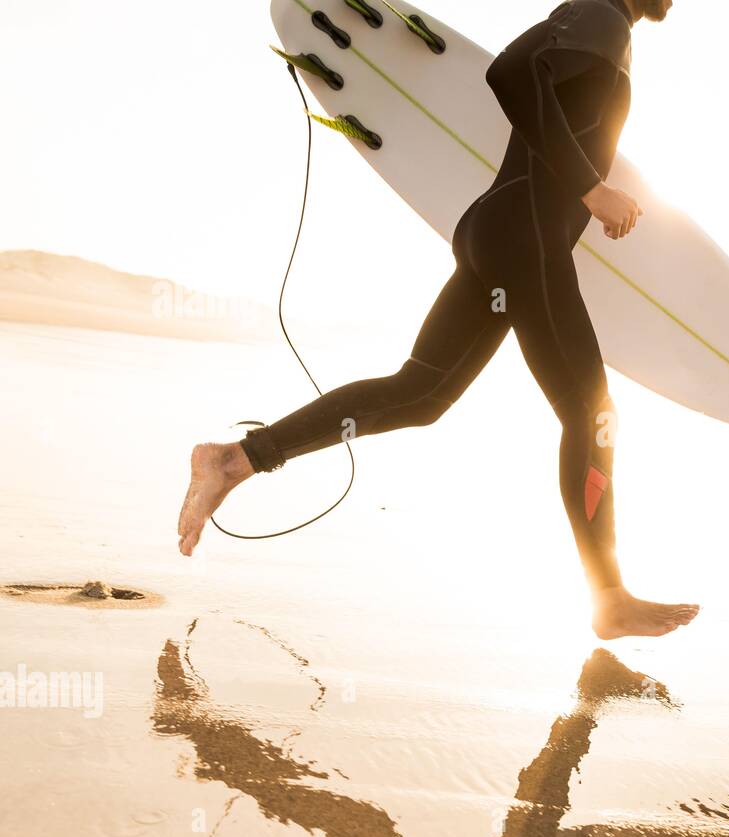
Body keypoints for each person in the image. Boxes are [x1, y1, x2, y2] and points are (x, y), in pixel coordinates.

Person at [177, 0, 698, 640]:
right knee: (592, 413)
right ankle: (609, 596)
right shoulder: (601, 17)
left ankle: (235, 459)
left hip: (502, 233)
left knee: (419, 394)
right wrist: (591, 187)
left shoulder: (594, 22)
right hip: (525, 239)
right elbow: (509, 72)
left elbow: (532, 83)